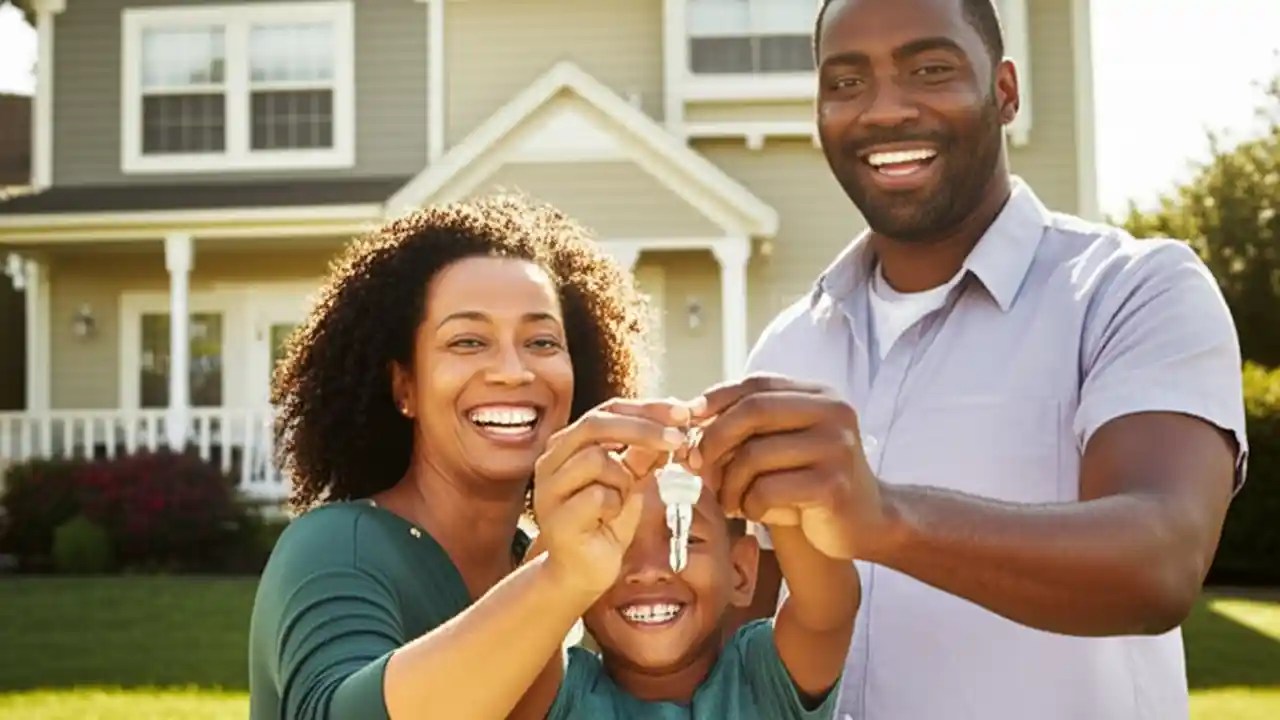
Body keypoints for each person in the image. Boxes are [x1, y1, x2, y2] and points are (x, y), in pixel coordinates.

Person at [692, 0, 1250, 718]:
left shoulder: (1134, 292)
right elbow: (752, 651)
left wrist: (883, 515)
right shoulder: (787, 347)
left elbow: (1161, 564)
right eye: (845, 82)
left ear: (1006, 92)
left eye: (930, 70)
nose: (884, 110)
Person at [247, 194, 694, 719]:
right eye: (467, 342)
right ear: (404, 387)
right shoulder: (337, 545)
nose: (513, 371)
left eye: (543, 342)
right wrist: (557, 581)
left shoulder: (563, 556)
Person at [538, 443, 860, 719]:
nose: (649, 570)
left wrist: (771, 478)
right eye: (616, 541)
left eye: (686, 538)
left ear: (739, 570)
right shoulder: (559, 695)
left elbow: (828, 610)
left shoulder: (761, 679)